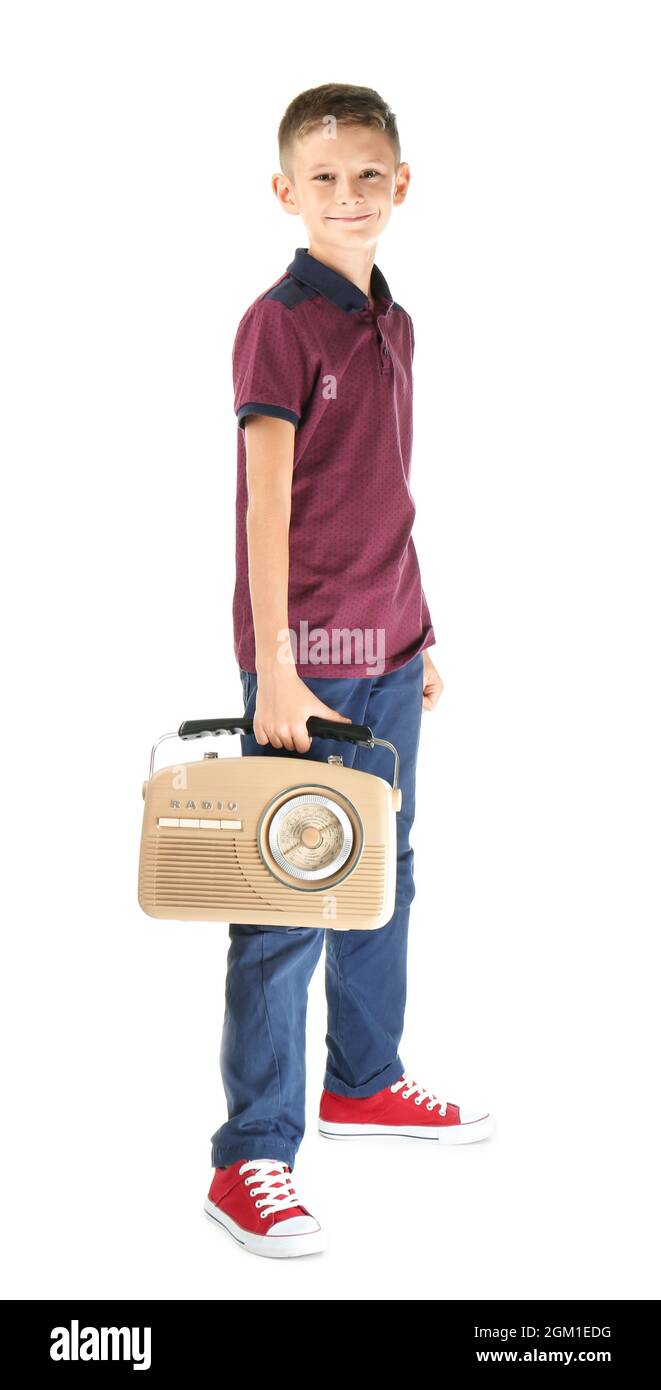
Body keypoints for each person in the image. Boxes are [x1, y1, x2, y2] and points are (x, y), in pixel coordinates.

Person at [203, 83, 494, 1260]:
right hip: (305, 665)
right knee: (284, 901)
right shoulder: (279, 322)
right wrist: (275, 666)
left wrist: (418, 632)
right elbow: (266, 505)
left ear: (401, 184)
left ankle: (365, 1080)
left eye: (368, 174)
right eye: (323, 179)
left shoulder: (396, 321)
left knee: (384, 871)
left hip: (385, 650)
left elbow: (387, 492)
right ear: (285, 193)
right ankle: (249, 1159)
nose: (348, 195)